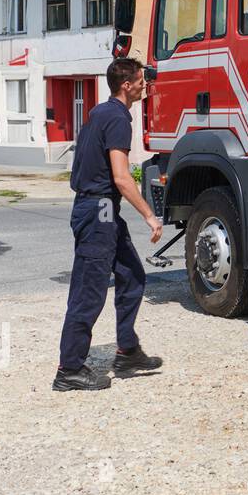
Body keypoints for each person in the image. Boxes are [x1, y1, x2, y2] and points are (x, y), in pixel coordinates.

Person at [53, 57, 165, 392]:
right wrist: (149, 214)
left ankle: (127, 351)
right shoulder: (118, 119)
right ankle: (69, 370)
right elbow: (121, 177)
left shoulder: (100, 112)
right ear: (127, 85)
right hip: (97, 210)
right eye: (142, 79)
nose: (146, 84)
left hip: (100, 209)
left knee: (132, 275)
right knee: (89, 290)